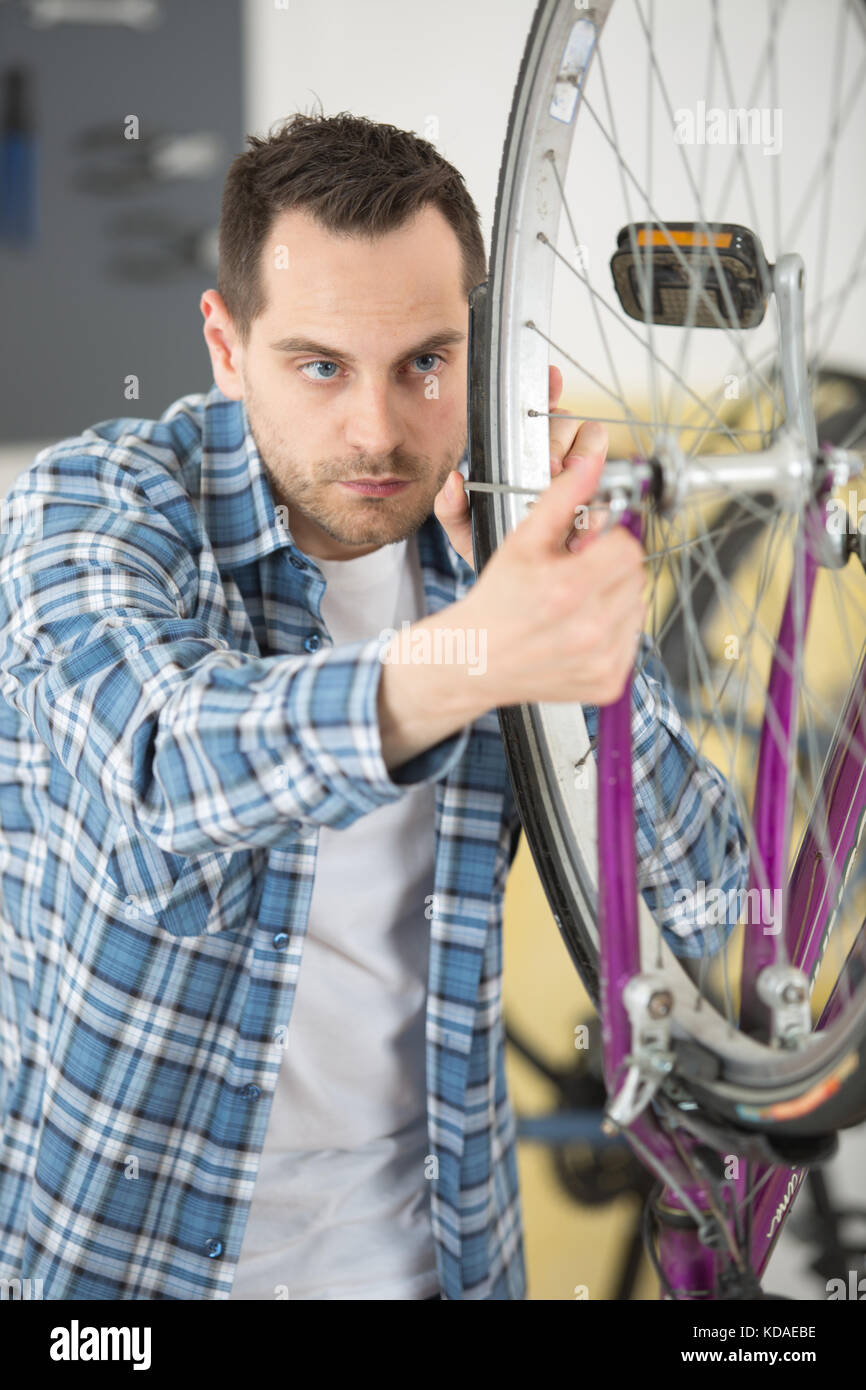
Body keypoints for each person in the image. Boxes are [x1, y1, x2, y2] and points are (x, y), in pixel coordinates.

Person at [0, 111, 748, 1301]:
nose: (376, 430)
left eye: (426, 365)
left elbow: (706, 900)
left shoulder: (495, 553)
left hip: (437, 1258)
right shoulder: (95, 505)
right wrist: (473, 655)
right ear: (223, 344)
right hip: (122, 1279)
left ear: (485, 351)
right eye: (318, 366)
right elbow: (162, 767)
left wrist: (584, 642)